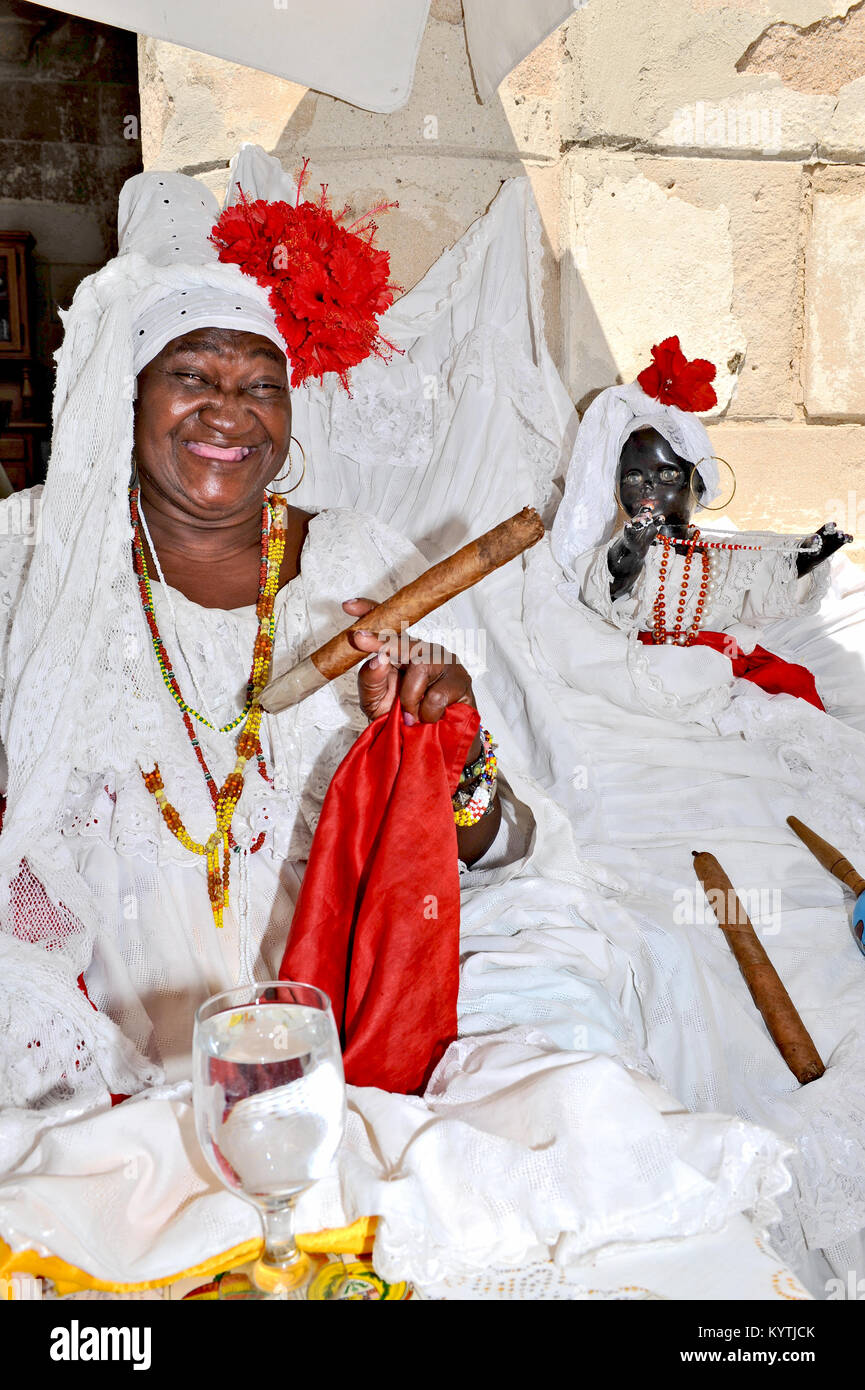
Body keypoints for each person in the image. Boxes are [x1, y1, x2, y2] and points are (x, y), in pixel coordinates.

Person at [0, 176, 795, 1298]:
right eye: (191, 375)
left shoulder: (362, 567)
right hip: (109, 1060)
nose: (228, 409)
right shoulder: (28, 566)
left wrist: (447, 755)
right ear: (123, 399)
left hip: (369, 1046)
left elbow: (489, 843)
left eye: (261, 385)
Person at [515, 337, 865, 1289]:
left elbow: (763, 578)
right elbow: (597, 601)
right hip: (645, 722)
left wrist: (811, 553)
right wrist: (630, 557)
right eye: (639, 479)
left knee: (801, 838)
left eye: (673, 481)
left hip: (714, 709)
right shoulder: (603, 556)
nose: (657, 497)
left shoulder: (706, 559)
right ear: (609, 484)